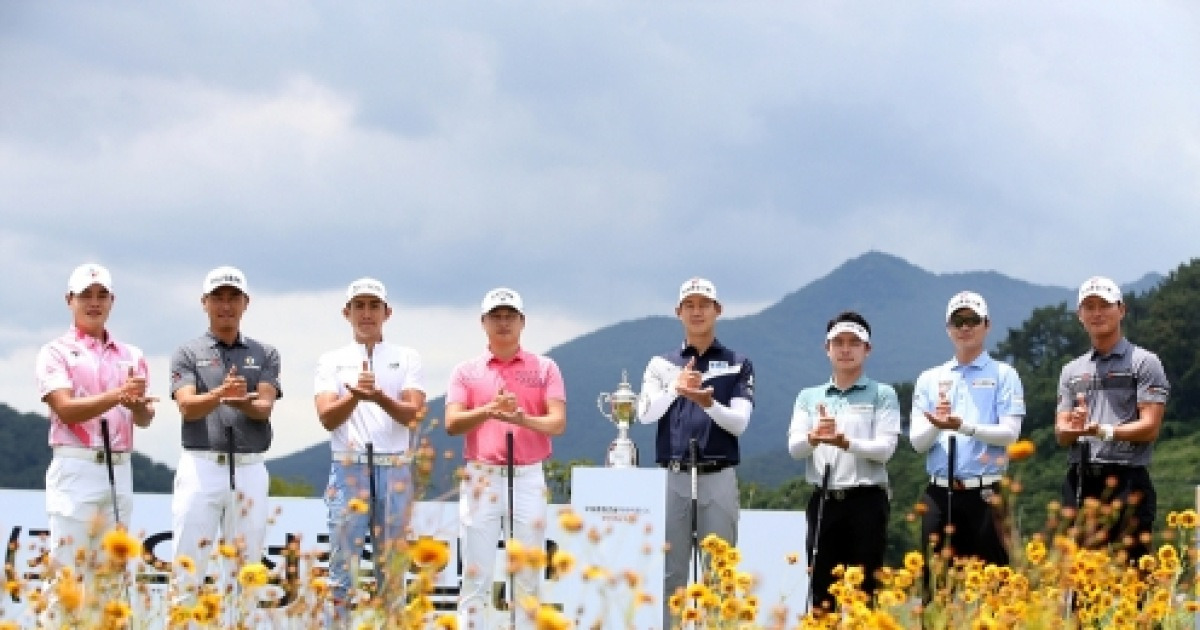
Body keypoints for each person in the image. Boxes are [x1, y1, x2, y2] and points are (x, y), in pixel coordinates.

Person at [35, 263, 155, 621]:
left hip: (120, 468)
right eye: (85, 295)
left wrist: (138, 407)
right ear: (69, 300)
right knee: (65, 579)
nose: (94, 302)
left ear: (112, 300)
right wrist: (119, 395)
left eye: (102, 295)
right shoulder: (54, 352)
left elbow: (144, 419)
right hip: (76, 466)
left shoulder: (132, 355)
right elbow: (66, 409)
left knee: (112, 580)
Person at [445, 288, 566, 629]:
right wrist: (489, 410)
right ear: (483, 323)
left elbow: (557, 423)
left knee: (527, 578)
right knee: (475, 576)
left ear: (522, 322)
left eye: (509, 316)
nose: (503, 323)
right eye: (495, 316)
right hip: (481, 475)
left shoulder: (545, 368)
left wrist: (519, 418)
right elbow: (453, 423)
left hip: (528, 475)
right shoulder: (465, 371)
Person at [637, 278, 754, 628]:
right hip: (673, 475)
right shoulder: (661, 364)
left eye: (704, 304)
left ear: (718, 311)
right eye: (689, 305)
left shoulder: (738, 363)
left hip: (717, 475)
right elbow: (645, 414)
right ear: (678, 312)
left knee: (718, 574)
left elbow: (738, 423)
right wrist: (676, 387)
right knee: (673, 575)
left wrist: (708, 403)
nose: (697, 311)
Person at [314, 278, 426, 624]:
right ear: (347, 313)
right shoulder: (331, 360)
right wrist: (356, 397)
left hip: (394, 468)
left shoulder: (407, 357)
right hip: (349, 466)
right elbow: (327, 417)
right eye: (359, 306)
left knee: (391, 575)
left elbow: (414, 415)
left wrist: (377, 396)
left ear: (386, 312)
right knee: (341, 573)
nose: (366, 314)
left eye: (373, 306)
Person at [169, 266, 281, 601]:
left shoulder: (265, 353)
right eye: (217, 297)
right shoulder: (187, 352)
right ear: (204, 303)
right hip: (201, 464)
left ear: (246, 303)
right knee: (187, 570)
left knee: (245, 576)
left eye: (234, 297)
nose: (226, 305)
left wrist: (239, 399)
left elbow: (264, 407)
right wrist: (221, 394)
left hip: (250, 465)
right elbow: (187, 406)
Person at [787, 311, 899, 612]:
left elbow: (885, 449)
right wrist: (815, 436)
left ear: (867, 349)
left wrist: (844, 441)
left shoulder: (883, 394)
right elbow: (796, 448)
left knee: (865, 594)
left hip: (867, 500)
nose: (845, 349)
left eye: (854, 342)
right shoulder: (809, 397)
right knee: (823, 595)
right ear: (827, 348)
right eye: (838, 342)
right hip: (824, 500)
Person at [1054, 276, 1168, 563]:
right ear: (1080, 316)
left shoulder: (1144, 362)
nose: (1097, 313)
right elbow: (1061, 432)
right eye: (1089, 306)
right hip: (1080, 478)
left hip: (1127, 477)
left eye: (1104, 305)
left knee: (1132, 576)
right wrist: (1074, 429)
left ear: (1122, 310)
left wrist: (1102, 431)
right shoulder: (1071, 371)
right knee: (1081, 581)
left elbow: (1150, 427)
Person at [910, 291, 1025, 570]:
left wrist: (963, 426)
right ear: (947, 328)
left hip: (987, 492)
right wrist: (938, 426)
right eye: (957, 321)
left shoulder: (1004, 375)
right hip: (939, 493)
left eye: (972, 320)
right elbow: (917, 443)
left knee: (993, 586)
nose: (965, 327)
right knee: (935, 588)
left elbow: (1011, 433)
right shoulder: (930, 378)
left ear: (987, 325)